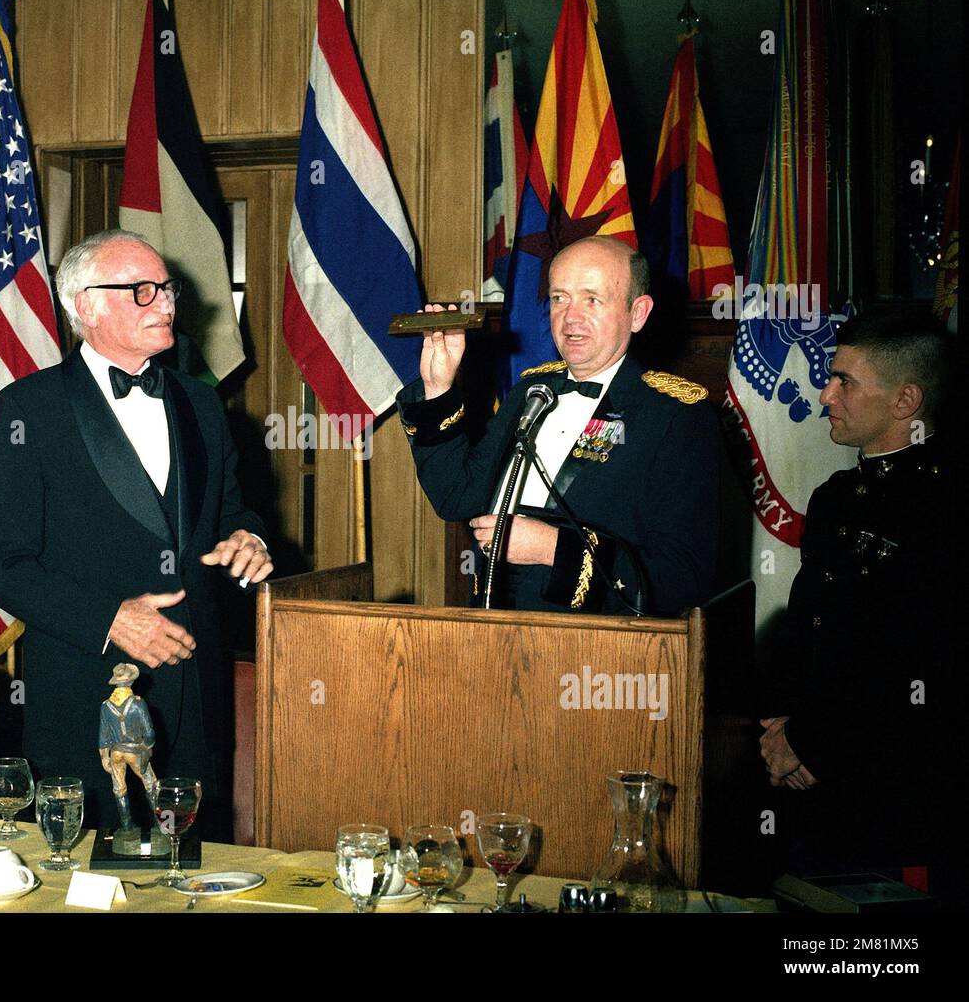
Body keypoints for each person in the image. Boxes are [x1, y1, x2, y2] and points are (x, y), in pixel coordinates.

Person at [0, 230, 271, 836]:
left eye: (166, 289)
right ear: (87, 307)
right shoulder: (29, 410)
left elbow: (232, 510)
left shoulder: (202, 404)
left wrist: (250, 539)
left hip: (196, 700)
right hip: (86, 698)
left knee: (195, 882)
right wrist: (109, 618)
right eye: (142, 290)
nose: (165, 303)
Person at [397, 235, 720, 615]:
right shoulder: (530, 393)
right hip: (490, 632)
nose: (570, 317)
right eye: (559, 298)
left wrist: (552, 549)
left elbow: (684, 578)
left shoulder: (676, 417)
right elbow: (457, 498)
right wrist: (438, 388)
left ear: (638, 313)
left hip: (597, 658)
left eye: (592, 299)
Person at [758, 309, 957, 896]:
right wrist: (780, 735)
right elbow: (807, 631)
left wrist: (811, 743)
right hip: (806, 780)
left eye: (844, 380)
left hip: (897, 795)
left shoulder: (945, 506)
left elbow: (924, 669)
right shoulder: (837, 497)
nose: (825, 394)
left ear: (905, 401)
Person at [97, 662, 158, 834]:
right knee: (151, 786)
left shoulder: (106, 706)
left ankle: (127, 828)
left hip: (116, 753)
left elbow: (103, 736)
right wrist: (147, 747)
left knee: (119, 789)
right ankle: (160, 827)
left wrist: (104, 757)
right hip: (136, 752)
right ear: (130, 682)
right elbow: (150, 733)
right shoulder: (138, 704)